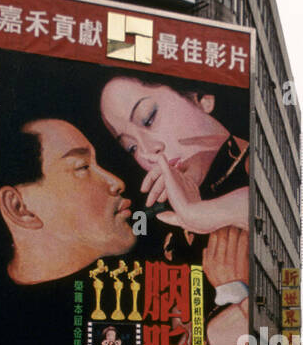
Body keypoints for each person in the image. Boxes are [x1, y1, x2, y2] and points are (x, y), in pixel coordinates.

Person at [99, 74, 250, 235]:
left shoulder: (258, 163)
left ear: (202, 99)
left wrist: (203, 213)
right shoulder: (166, 229)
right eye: (132, 147)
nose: (147, 151)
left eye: (149, 118)